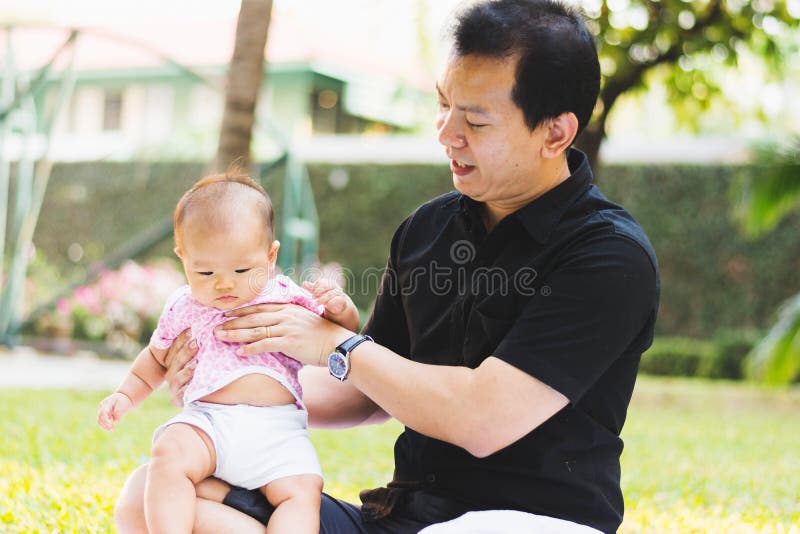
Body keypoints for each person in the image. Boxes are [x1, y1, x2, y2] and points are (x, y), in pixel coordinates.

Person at [115, 0, 659, 532]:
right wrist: (229, 378)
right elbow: (368, 388)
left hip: (528, 522)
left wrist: (336, 345)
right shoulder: (426, 230)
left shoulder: (608, 256)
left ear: (556, 133)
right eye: (444, 105)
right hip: (400, 519)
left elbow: (482, 418)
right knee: (149, 495)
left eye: (475, 120)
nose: (447, 133)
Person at [98, 172, 360, 533]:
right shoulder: (184, 305)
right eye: (205, 271)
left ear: (270, 256)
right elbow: (154, 361)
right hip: (210, 423)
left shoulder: (286, 294)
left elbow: (341, 334)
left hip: (277, 429)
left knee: (301, 491)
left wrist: (340, 309)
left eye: (241, 269)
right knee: (168, 453)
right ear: (183, 257)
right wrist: (126, 395)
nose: (223, 283)